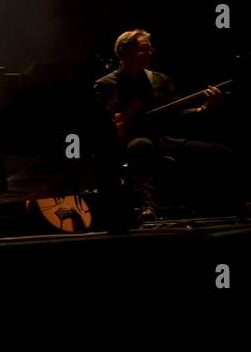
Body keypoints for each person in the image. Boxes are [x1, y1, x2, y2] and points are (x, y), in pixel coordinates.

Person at [94, 29, 227, 223]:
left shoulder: (159, 80)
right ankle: (147, 206)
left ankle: (225, 204)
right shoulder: (105, 84)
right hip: (128, 140)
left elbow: (178, 114)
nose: (150, 53)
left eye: (150, 49)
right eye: (144, 49)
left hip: (163, 138)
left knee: (217, 152)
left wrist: (204, 109)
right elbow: (105, 124)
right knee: (141, 145)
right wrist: (130, 111)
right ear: (124, 52)